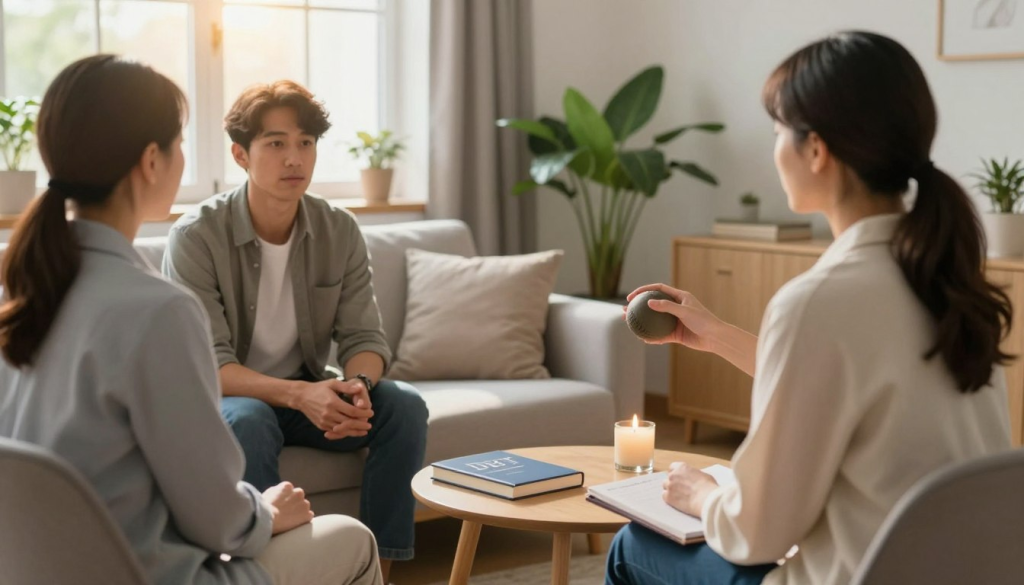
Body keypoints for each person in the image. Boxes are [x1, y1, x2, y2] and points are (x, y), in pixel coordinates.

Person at [606, 31, 1014, 585]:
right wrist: (716, 334)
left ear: (816, 150)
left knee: (631, 547)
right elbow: (841, 381)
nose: (774, 149)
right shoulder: (949, 282)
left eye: (778, 132)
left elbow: (757, 533)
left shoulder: (820, 301)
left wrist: (701, 495)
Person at [0, 55, 382, 585]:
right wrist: (268, 511)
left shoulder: (24, 293)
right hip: (151, 575)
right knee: (354, 539)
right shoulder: (159, 311)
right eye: (179, 143)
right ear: (151, 161)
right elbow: (220, 522)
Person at [162, 80, 428, 581]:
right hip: (231, 400)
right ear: (241, 154)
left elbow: (365, 338)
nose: (294, 158)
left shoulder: (338, 228)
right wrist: (302, 396)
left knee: (404, 406)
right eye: (276, 143)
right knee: (250, 420)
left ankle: (376, 571)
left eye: (306, 142)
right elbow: (209, 365)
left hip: (307, 391)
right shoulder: (196, 236)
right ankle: (270, 572)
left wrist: (358, 388)